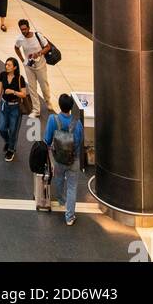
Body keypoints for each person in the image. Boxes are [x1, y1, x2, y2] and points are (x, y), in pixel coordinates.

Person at [45, 94, 85, 226]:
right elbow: (79, 141)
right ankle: (69, 216)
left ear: (59, 105)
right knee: (72, 188)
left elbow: (47, 139)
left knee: (59, 179)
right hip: (73, 159)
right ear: (71, 108)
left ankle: (61, 200)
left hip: (58, 158)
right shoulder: (77, 123)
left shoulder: (53, 119)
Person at [15, 19, 54, 113]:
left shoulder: (37, 35)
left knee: (44, 85)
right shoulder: (20, 39)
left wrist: (39, 53)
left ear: (28, 28)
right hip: (29, 66)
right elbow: (16, 48)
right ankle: (36, 109)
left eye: (25, 29)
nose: (23, 31)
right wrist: (23, 60)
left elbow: (48, 47)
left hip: (40, 65)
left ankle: (48, 102)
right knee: (32, 88)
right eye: (22, 29)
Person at [0, 58, 29, 161]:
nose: (6, 66)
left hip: (15, 108)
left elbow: (23, 94)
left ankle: (11, 150)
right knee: (1, 127)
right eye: (6, 64)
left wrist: (13, 92)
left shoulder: (20, 78)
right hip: (4, 105)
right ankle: (8, 141)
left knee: (13, 130)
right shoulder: (2, 75)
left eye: (9, 65)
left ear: (15, 67)